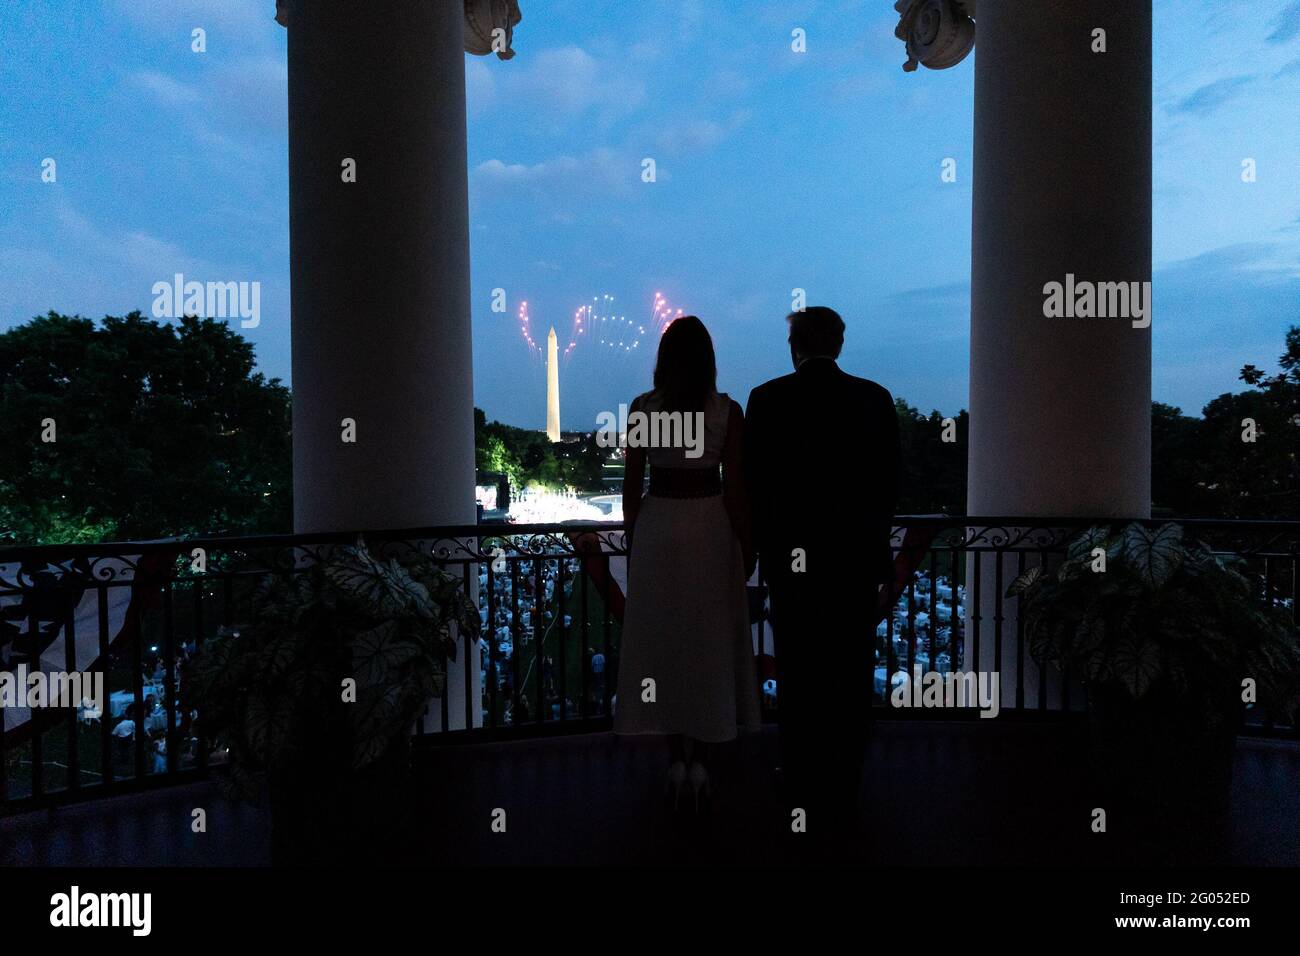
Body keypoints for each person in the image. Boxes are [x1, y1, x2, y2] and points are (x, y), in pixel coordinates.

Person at [744, 306, 901, 845]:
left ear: (795, 348)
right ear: (839, 344)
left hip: (793, 566)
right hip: (853, 565)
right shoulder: (875, 401)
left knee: (801, 671)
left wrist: (763, 553)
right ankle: (845, 780)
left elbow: (756, 491)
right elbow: (888, 487)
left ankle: (802, 776)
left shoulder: (766, 401)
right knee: (851, 672)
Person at [612, 316, 761, 812]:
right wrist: (748, 544)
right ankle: (705, 760)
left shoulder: (641, 409)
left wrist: (638, 541)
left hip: (658, 530)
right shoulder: (727, 412)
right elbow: (736, 489)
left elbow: (632, 489)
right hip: (709, 531)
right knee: (709, 642)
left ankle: (675, 756)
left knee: (665, 644)